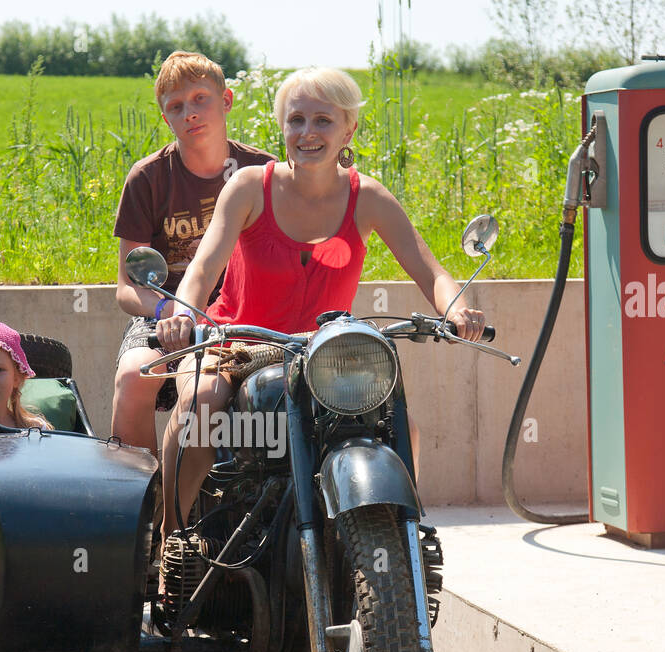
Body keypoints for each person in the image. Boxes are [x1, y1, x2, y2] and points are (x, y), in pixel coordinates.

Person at [155, 67, 487, 537]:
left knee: (400, 426)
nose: (307, 133)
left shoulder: (367, 197)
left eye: (322, 121)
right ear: (282, 126)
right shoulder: (250, 186)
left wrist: (454, 311)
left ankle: (399, 544)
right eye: (296, 120)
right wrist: (184, 312)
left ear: (349, 128)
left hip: (327, 352)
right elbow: (203, 268)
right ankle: (172, 544)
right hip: (238, 343)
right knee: (200, 408)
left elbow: (430, 270)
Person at [111, 51, 274, 461]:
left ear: (227, 101)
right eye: (176, 106)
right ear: (166, 118)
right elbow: (127, 289)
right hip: (169, 316)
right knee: (134, 376)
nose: (190, 113)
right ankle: (147, 506)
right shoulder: (148, 178)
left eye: (201, 98)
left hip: (248, 311)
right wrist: (168, 309)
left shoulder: (263, 171)